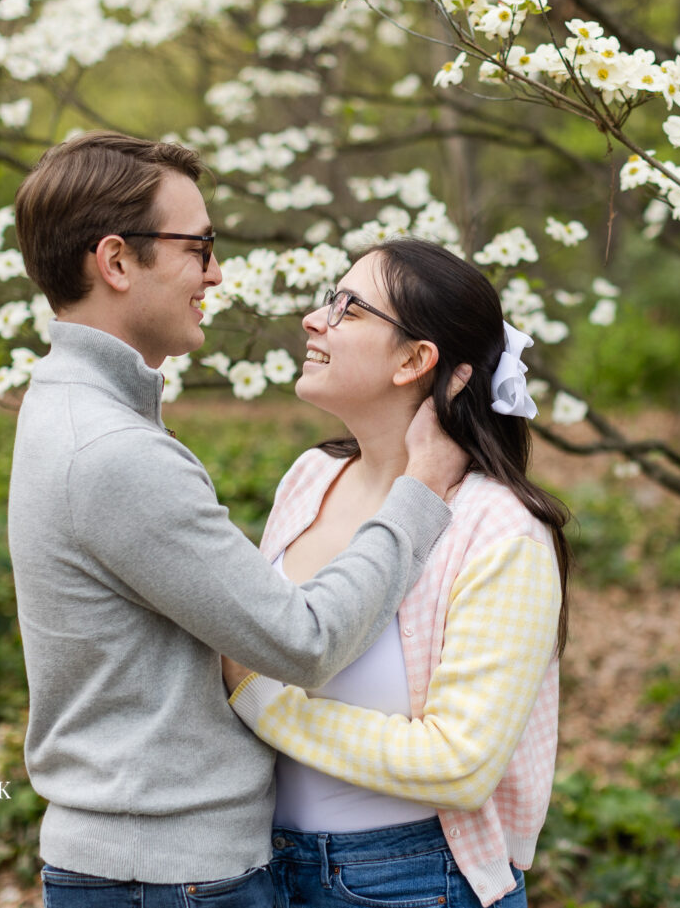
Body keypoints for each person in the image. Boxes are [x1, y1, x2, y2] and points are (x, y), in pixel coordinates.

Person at [5, 132, 470, 907]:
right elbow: (302, 639)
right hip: (167, 872)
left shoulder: (65, 408)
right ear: (117, 262)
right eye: (200, 247)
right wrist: (419, 493)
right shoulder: (116, 451)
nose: (216, 273)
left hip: (139, 864)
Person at [224, 238, 571, 908]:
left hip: (412, 881)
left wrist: (262, 700)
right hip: (263, 867)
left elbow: (460, 762)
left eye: (348, 308)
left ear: (415, 359)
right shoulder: (310, 477)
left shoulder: (500, 528)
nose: (314, 319)